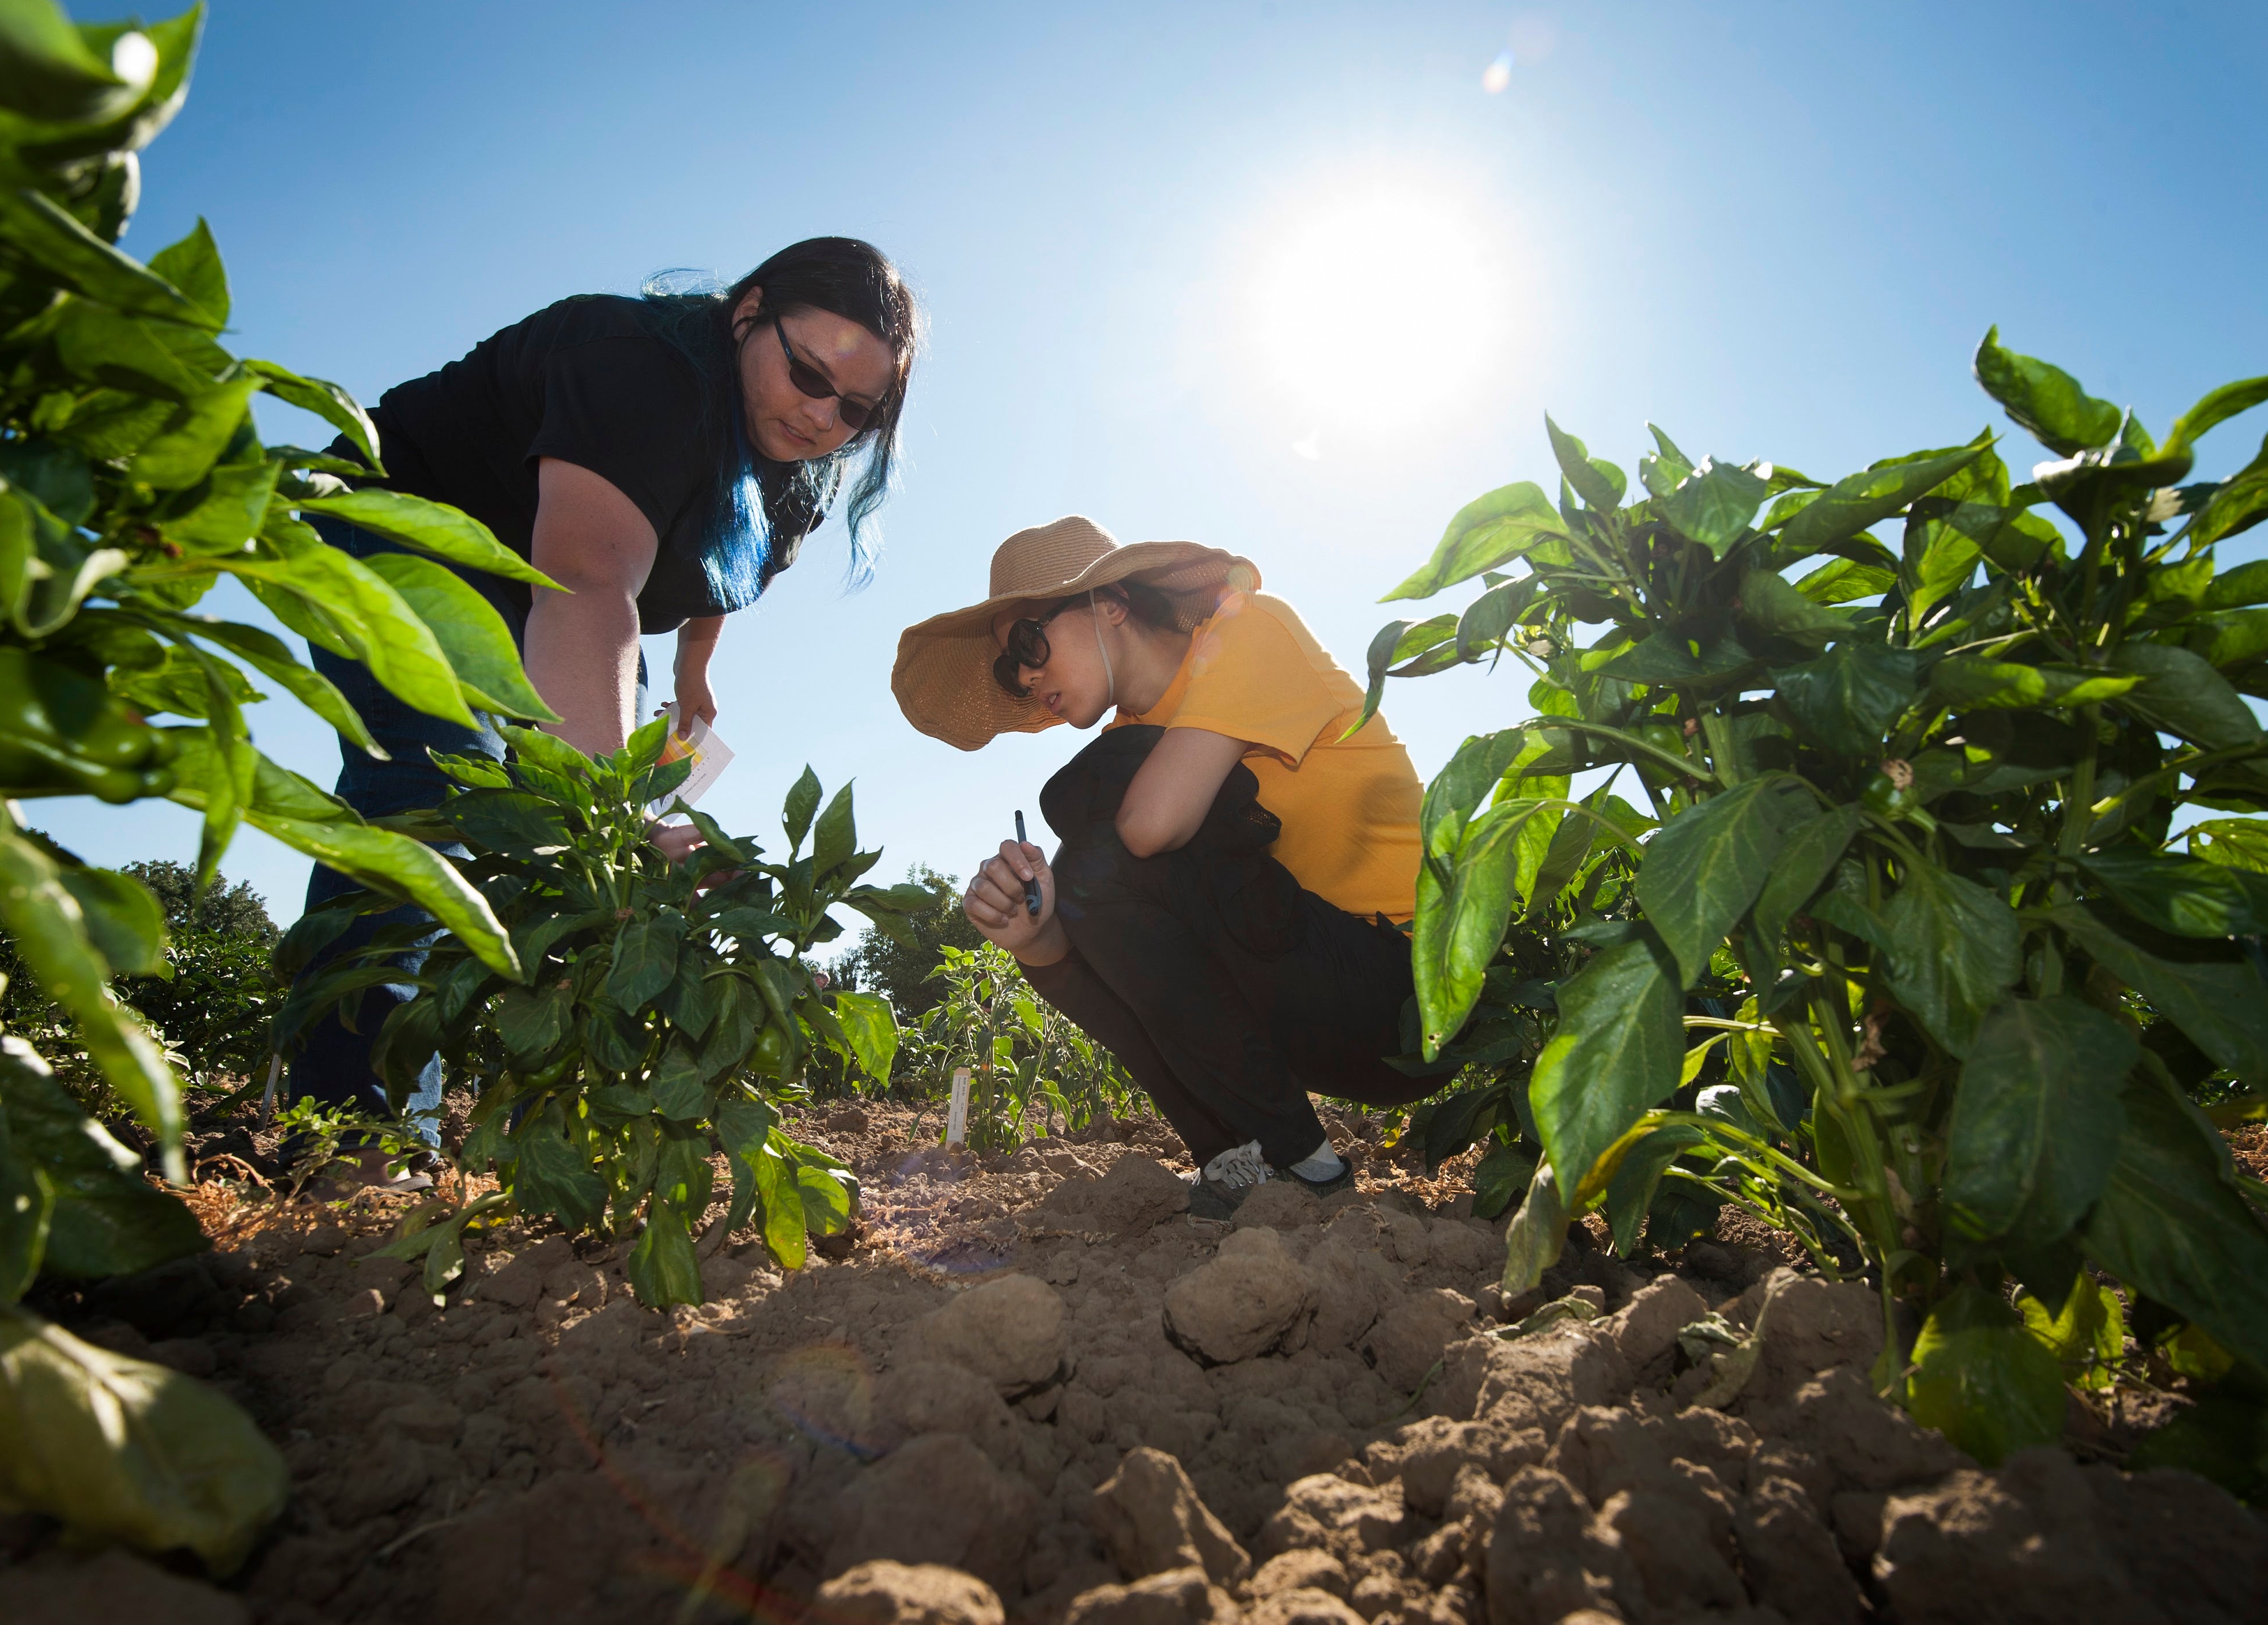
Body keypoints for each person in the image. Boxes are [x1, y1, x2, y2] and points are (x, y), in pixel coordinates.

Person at [292, 237, 921, 1191]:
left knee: (571, 842)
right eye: (807, 373)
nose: (822, 414)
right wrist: (617, 823)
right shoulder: (637, 366)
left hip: (549, 588)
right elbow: (585, 584)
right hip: (405, 515)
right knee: (433, 785)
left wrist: (694, 671)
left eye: (856, 410)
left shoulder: (799, 466)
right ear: (747, 312)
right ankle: (346, 1140)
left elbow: (716, 562)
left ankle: (548, 1122)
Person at [892, 515, 1438, 1216]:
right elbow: (1107, 940)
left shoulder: (1248, 630)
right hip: (1320, 999)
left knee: (1097, 839)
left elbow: (1150, 831)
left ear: (1109, 603)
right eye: (1010, 669)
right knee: (1082, 869)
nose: (1027, 678)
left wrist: (1080, 874)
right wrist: (1029, 934)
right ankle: (1240, 1156)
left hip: (1412, 989)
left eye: (1029, 644)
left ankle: (1294, 1160)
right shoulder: (1133, 747)